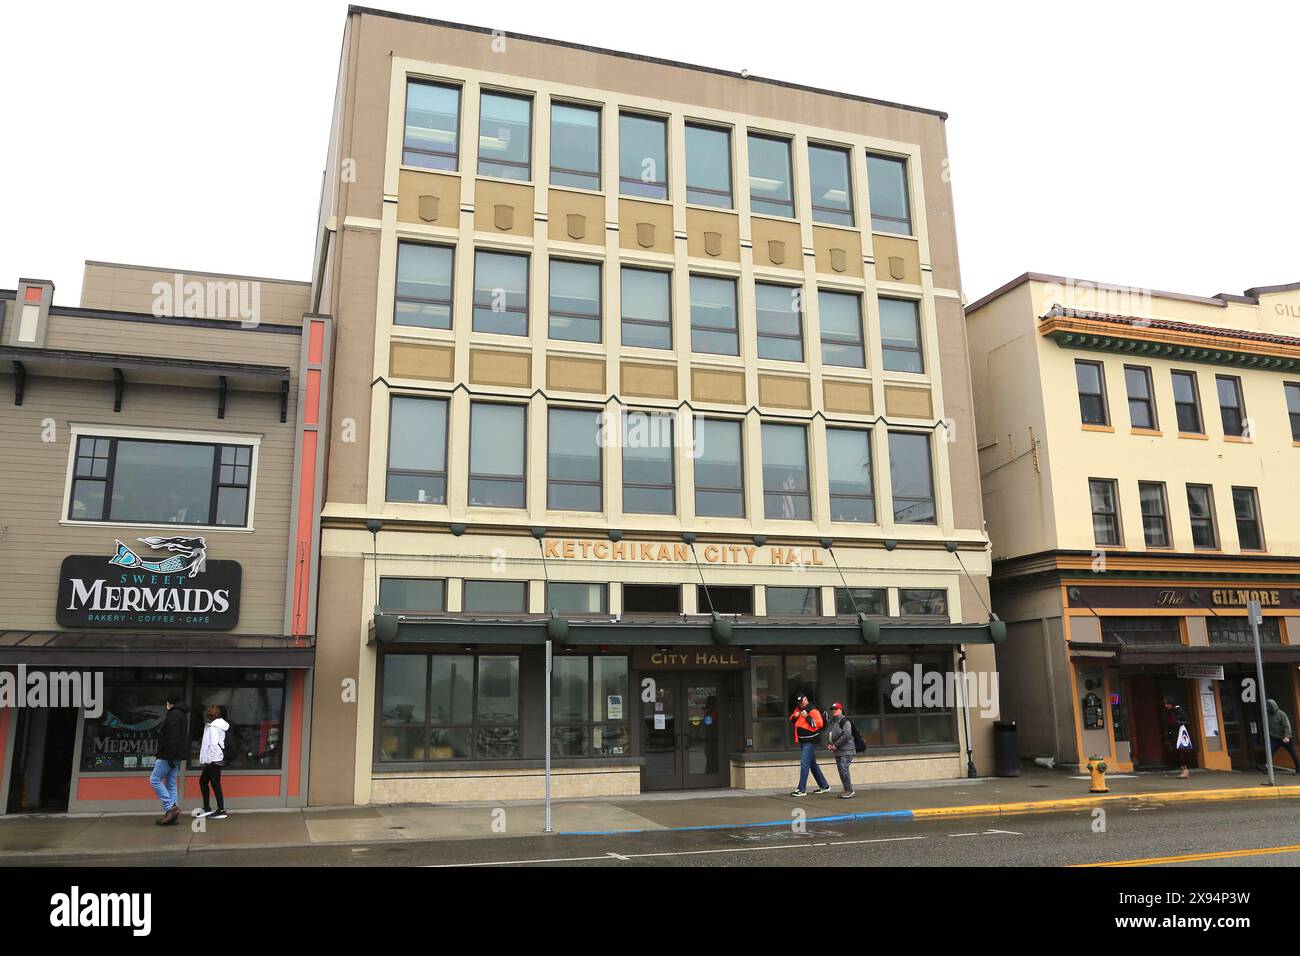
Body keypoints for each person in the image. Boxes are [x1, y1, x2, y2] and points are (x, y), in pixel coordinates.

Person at [150, 697, 189, 825]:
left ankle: (171, 807)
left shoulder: (173, 715)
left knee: (154, 779)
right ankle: (173, 816)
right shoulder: (182, 715)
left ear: (169, 703)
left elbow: (173, 737)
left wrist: (170, 756)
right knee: (171, 783)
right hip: (176, 756)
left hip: (168, 755)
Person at [789, 693, 831, 796]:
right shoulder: (798, 709)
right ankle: (824, 786)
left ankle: (801, 789)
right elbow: (792, 721)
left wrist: (807, 716)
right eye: (798, 703)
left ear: (806, 699)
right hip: (803, 740)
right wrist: (796, 716)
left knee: (804, 764)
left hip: (810, 741)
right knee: (812, 764)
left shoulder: (812, 709)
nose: (800, 705)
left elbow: (818, 724)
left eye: (801, 702)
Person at [197, 704, 230, 819]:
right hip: (215, 759)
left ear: (210, 716)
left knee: (215, 784)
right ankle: (207, 808)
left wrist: (209, 759)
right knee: (204, 782)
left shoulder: (214, 727)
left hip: (214, 760)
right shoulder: (215, 725)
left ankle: (220, 810)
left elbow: (213, 744)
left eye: (207, 714)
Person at [1261, 699, 1300, 776]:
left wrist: (1287, 736)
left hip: (1284, 738)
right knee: (1270, 752)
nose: (1267, 708)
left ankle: (1298, 768)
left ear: (1273, 706)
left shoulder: (1281, 714)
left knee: (1292, 753)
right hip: (1274, 738)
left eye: (1269, 707)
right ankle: (1266, 767)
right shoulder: (1267, 715)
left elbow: (1287, 726)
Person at [826, 701, 856, 798]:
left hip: (847, 750)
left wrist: (836, 745)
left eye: (836, 709)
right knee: (841, 770)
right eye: (833, 710)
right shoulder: (833, 721)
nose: (834, 711)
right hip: (838, 750)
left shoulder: (845, 721)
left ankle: (849, 790)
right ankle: (846, 787)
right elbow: (831, 734)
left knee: (843, 769)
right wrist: (831, 744)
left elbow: (846, 735)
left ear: (841, 710)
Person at [1163, 696, 1192, 779]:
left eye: (1167, 704)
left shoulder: (1178, 710)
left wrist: (1179, 723)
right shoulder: (1168, 711)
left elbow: (1187, 721)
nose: (1166, 705)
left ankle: (1185, 770)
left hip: (1179, 734)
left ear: (1171, 704)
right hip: (1173, 733)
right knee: (1176, 751)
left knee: (1182, 751)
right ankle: (1182, 769)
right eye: (1165, 704)